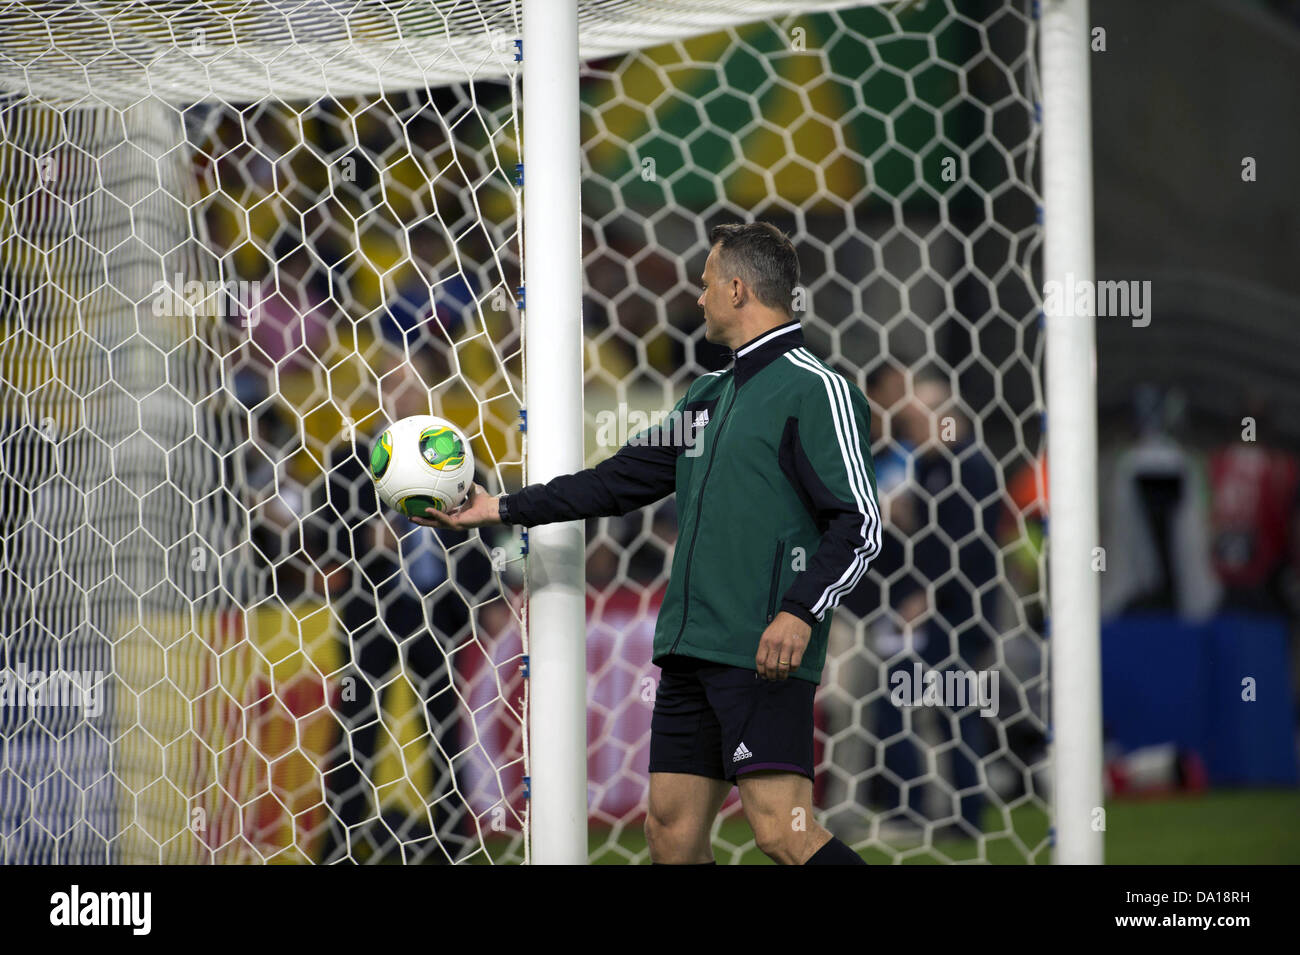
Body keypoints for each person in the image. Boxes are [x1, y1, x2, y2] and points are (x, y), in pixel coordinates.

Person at [415, 221, 881, 865]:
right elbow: (619, 481)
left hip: (761, 651)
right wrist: (500, 506)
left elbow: (860, 523)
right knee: (670, 834)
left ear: (739, 290)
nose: (698, 297)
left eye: (708, 283)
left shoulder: (816, 389)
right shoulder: (710, 393)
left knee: (782, 831)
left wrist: (800, 611)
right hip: (689, 649)